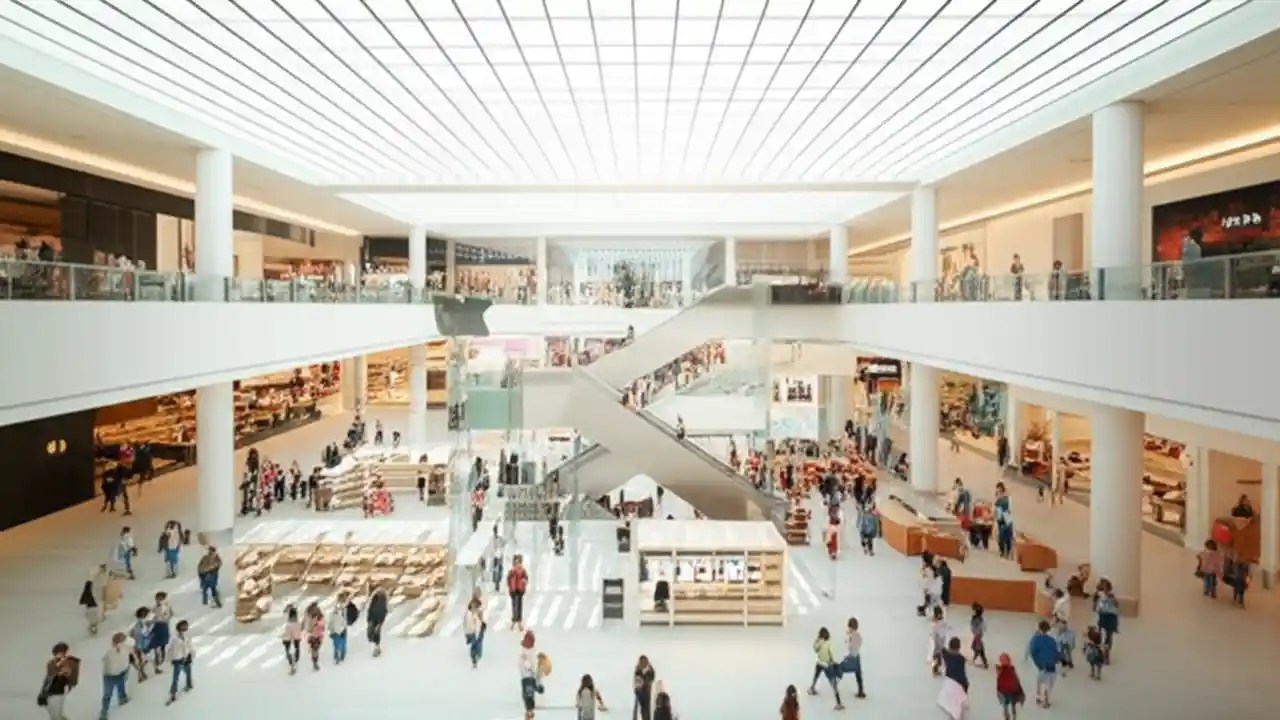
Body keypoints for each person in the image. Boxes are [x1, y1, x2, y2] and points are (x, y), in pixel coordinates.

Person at [806, 627, 843, 710]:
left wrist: (817, 640)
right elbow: (831, 654)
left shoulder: (819, 642)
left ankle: (812, 688)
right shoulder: (828, 643)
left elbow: (815, 649)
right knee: (833, 683)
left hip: (819, 663)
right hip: (827, 664)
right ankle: (838, 702)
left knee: (816, 676)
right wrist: (833, 662)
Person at [40, 642, 78, 720]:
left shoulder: (71, 663)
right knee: (55, 714)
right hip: (53, 692)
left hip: (59, 691)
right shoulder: (51, 663)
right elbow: (49, 678)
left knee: (56, 715)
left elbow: (73, 680)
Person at [1026, 620, 1060, 708]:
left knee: (1039, 681)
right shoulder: (1052, 640)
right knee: (1049, 684)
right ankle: (1046, 700)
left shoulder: (1035, 639)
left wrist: (1037, 662)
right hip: (1051, 666)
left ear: (1039, 628)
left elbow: (1032, 652)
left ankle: (1038, 697)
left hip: (1041, 666)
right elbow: (1056, 653)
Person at [100, 633, 131, 720]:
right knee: (108, 694)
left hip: (117, 674)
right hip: (110, 676)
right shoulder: (110, 652)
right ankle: (104, 712)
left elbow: (126, 662)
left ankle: (122, 699)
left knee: (120, 687)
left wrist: (126, 670)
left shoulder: (124, 650)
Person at [165, 620, 193, 705]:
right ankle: (173, 694)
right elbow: (168, 649)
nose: (185, 627)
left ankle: (189, 685)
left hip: (186, 658)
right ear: (179, 627)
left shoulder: (188, 635)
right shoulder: (174, 638)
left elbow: (190, 647)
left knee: (188, 672)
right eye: (183, 626)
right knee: (175, 678)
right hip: (178, 660)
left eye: (186, 626)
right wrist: (170, 659)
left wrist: (191, 655)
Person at [1093, 578, 1119, 662]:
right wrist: (1096, 602)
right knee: (1100, 634)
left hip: (1111, 616)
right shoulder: (1097, 595)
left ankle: (1107, 652)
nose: (1103, 589)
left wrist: (1111, 599)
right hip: (1102, 616)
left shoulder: (1112, 595)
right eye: (1101, 587)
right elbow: (1094, 608)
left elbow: (1116, 605)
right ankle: (1102, 651)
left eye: (1105, 587)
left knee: (1109, 634)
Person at [518, 631, 543, 720]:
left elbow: (537, 669)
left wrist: (539, 684)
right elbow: (524, 665)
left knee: (529, 697)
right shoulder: (522, 652)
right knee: (528, 697)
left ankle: (530, 712)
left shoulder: (534, 651)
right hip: (526, 678)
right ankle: (529, 711)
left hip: (532, 678)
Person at [841, 616, 866, 698]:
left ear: (850, 627)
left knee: (839, 669)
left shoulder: (853, 636)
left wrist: (848, 640)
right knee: (858, 674)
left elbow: (850, 647)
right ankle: (861, 691)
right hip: (856, 656)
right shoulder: (857, 635)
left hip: (852, 657)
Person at [995, 653, 1025, 720]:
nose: (1003, 661)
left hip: (1011, 690)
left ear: (1008, 660)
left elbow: (1016, 677)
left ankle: (1012, 717)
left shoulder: (1011, 668)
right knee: (1005, 705)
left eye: (1004, 660)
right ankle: (1007, 717)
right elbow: (999, 678)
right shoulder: (1001, 668)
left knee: (1012, 705)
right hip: (1004, 690)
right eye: (1002, 660)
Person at [508, 554, 529, 632]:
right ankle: (514, 622)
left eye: (519, 562)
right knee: (514, 606)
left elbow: (526, 578)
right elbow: (508, 580)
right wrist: (510, 588)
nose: (517, 564)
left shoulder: (523, 571)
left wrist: (524, 581)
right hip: (513, 590)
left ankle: (519, 622)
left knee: (519, 606)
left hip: (520, 590)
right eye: (516, 562)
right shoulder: (511, 571)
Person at [151, 592, 173, 666]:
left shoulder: (166, 607)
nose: (158, 600)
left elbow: (169, 615)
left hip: (163, 625)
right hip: (156, 626)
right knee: (155, 642)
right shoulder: (155, 607)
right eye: (157, 598)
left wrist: (165, 618)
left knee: (162, 643)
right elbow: (152, 616)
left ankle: (162, 656)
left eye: (161, 598)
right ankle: (157, 657)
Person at [463, 597, 486, 668]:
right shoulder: (468, 614)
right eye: (473, 606)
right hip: (472, 632)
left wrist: (483, 626)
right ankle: (474, 658)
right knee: (474, 645)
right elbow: (466, 624)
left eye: (476, 606)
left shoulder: (478, 612)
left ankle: (477, 656)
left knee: (478, 644)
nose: (475, 608)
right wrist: (467, 634)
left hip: (478, 631)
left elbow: (481, 621)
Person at [634, 654, 657, 720]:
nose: (643, 663)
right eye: (642, 662)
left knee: (646, 708)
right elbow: (636, 680)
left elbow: (652, 677)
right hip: (639, 691)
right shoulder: (638, 669)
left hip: (647, 691)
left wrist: (647, 681)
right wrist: (637, 689)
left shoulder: (650, 669)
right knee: (639, 708)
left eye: (645, 662)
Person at [327, 593, 349, 665]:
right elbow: (343, 619)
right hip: (342, 628)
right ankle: (342, 655)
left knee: (337, 642)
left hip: (336, 628)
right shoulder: (343, 608)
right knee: (343, 642)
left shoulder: (336, 608)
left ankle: (337, 655)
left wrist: (330, 628)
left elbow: (331, 619)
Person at [994, 483, 1014, 559]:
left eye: (999, 490)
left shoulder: (1007, 499)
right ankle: (1002, 551)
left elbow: (1010, 509)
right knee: (1001, 537)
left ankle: (1007, 552)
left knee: (1008, 537)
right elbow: (996, 513)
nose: (997, 492)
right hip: (1001, 520)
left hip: (1007, 519)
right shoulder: (998, 501)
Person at [367, 587, 389, 657]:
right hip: (374, 617)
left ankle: (377, 647)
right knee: (372, 633)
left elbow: (384, 611)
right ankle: (376, 646)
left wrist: (381, 621)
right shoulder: (375, 598)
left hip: (378, 618)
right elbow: (370, 608)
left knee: (376, 632)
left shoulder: (383, 599)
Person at [281, 605, 303, 675]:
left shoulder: (289, 624)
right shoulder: (297, 623)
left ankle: (292, 664)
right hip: (296, 638)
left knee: (288, 651)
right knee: (296, 649)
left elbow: (287, 633)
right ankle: (294, 663)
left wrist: (284, 638)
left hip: (289, 638)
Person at [929, 605, 950, 676]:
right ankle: (936, 668)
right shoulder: (941, 622)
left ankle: (936, 668)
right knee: (939, 655)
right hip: (940, 640)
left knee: (938, 654)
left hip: (939, 640)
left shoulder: (936, 623)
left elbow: (934, 633)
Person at [304, 603, 325, 671]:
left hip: (313, 636)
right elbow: (323, 627)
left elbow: (308, 629)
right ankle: (315, 662)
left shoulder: (309, 616)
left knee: (314, 650)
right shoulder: (320, 616)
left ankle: (315, 662)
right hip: (318, 636)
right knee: (316, 650)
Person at [970, 603, 989, 668]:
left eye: (973, 610)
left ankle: (983, 662)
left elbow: (975, 627)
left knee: (978, 648)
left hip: (978, 635)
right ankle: (977, 658)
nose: (972, 611)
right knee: (974, 646)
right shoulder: (978, 618)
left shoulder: (977, 619)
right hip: (978, 634)